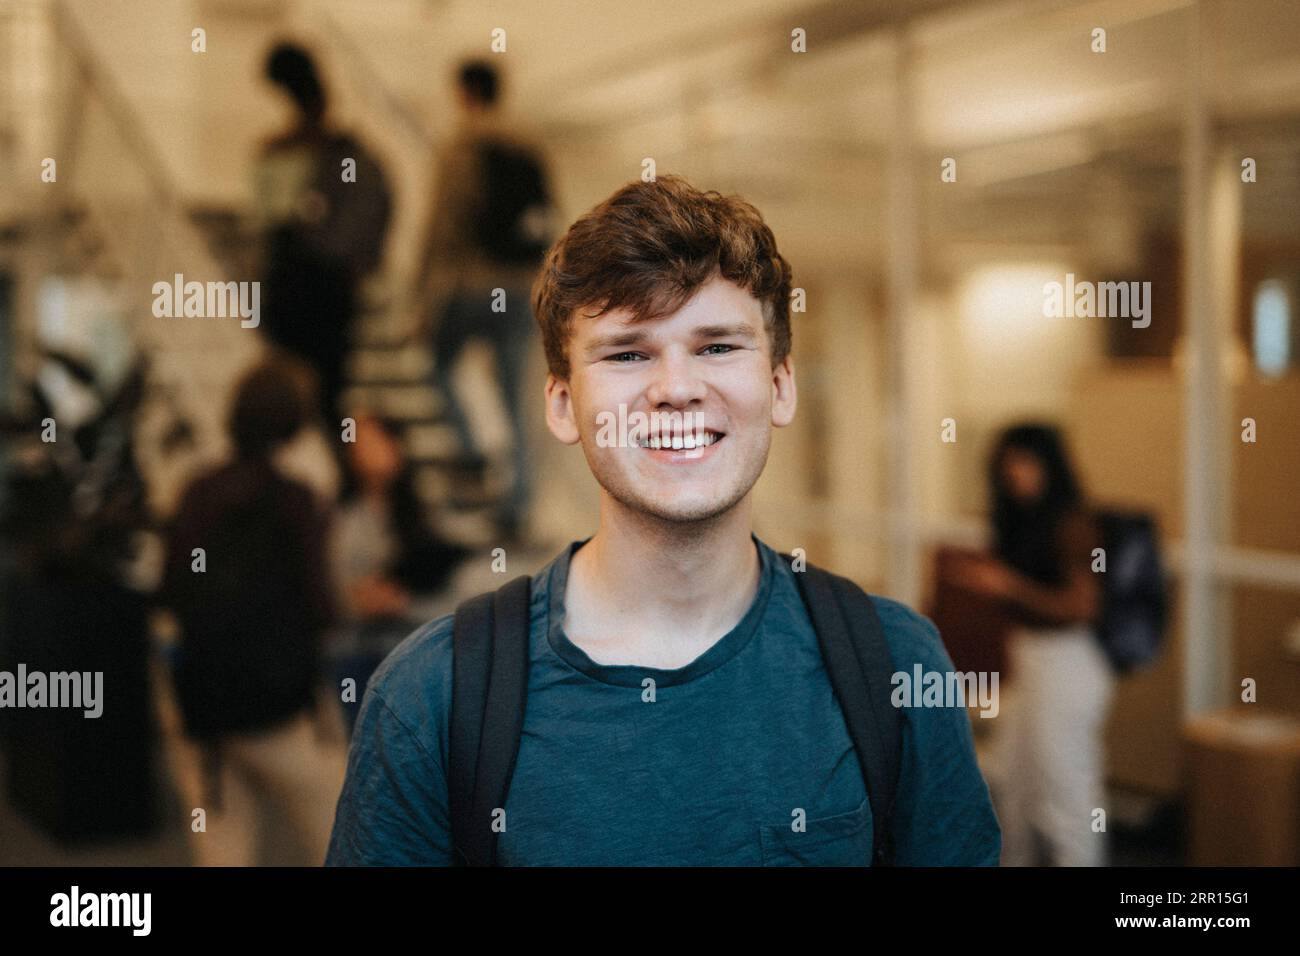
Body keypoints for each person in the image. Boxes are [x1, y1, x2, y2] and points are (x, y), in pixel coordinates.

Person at [327, 175, 1000, 866]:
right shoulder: (434, 698)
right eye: (627, 353)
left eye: (717, 346)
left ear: (780, 385)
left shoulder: (893, 662)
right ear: (560, 405)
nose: (676, 389)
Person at [161, 356, 346, 866]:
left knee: (222, 851)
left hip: (204, 708)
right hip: (279, 711)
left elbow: (171, 589)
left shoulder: (197, 492)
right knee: (342, 837)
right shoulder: (297, 501)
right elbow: (322, 608)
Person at [952, 423, 1112, 867]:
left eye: (1026, 462)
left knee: (1066, 791)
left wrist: (1009, 587)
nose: (1016, 475)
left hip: (1065, 660)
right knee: (1015, 785)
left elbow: (1082, 606)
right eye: (1008, 466)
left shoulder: (1072, 522)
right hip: (1028, 659)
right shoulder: (1023, 521)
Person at [412, 59, 552, 541]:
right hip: (520, 287)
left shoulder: (463, 146)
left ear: (465, 93)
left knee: (436, 361)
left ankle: (472, 453)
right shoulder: (529, 145)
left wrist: (422, 295)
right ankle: (518, 506)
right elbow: (546, 221)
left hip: (472, 284)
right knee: (516, 397)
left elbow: (443, 227)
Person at [254, 42, 391, 433]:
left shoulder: (336, 157)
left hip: (310, 284)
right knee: (320, 388)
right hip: (320, 285)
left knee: (311, 388)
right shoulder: (343, 156)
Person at [328, 411, 468, 735]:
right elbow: (339, 597)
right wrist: (363, 600)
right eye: (358, 443)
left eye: (375, 440)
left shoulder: (425, 510)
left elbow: (457, 584)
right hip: (368, 653)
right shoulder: (346, 520)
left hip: (421, 644)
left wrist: (404, 601)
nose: (365, 450)